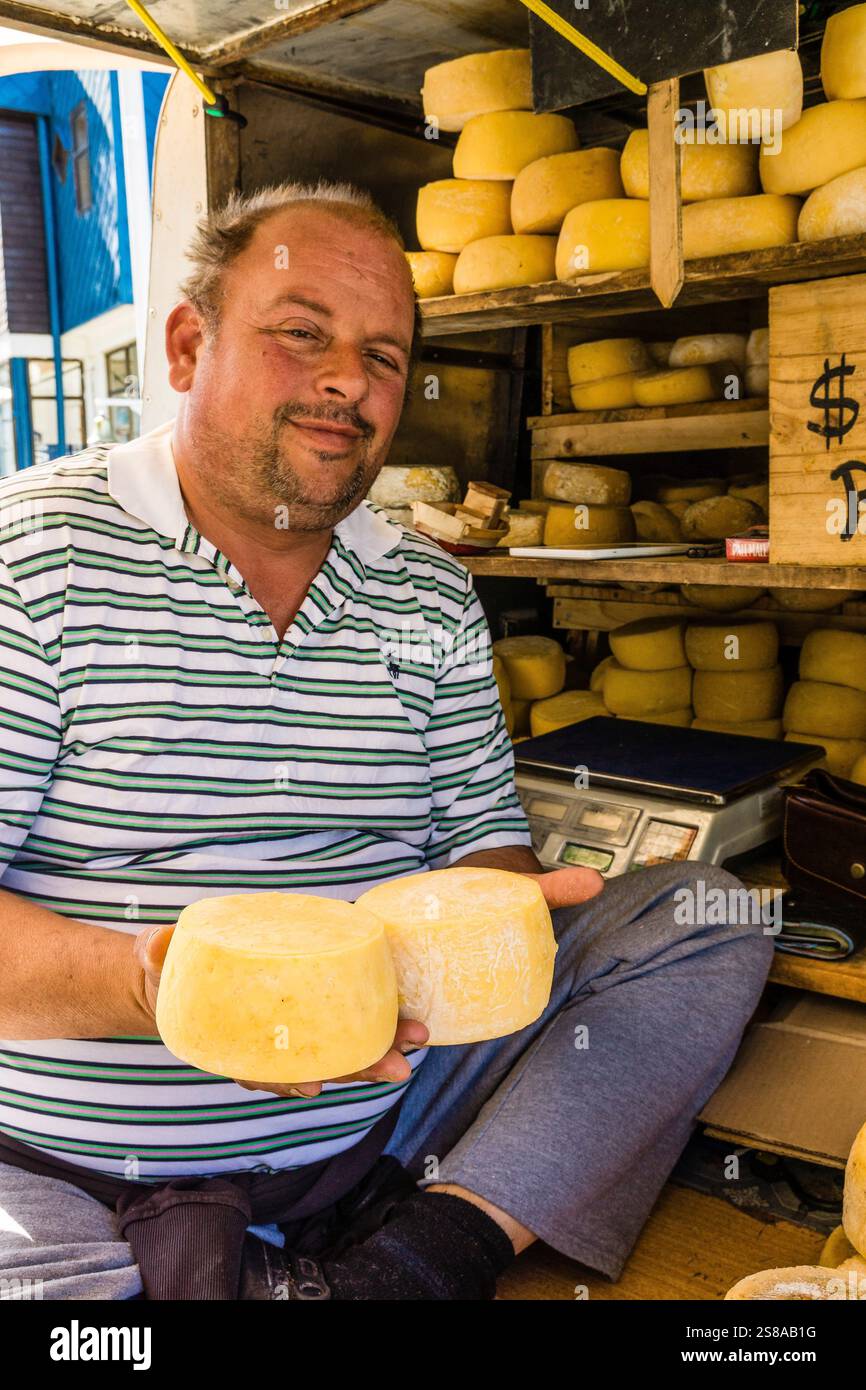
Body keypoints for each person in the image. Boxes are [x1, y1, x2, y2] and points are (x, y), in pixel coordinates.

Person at [0, 181, 773, 1301]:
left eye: (383, 356)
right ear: (186, 345)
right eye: (300, 334)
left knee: (696, 919)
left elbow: (480, 851)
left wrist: (502, 913)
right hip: (62, 1168)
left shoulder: (426, 593)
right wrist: (163, 983)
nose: (345, 383)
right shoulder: (34, 562)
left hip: (378, 1116)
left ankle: (418, 1260)